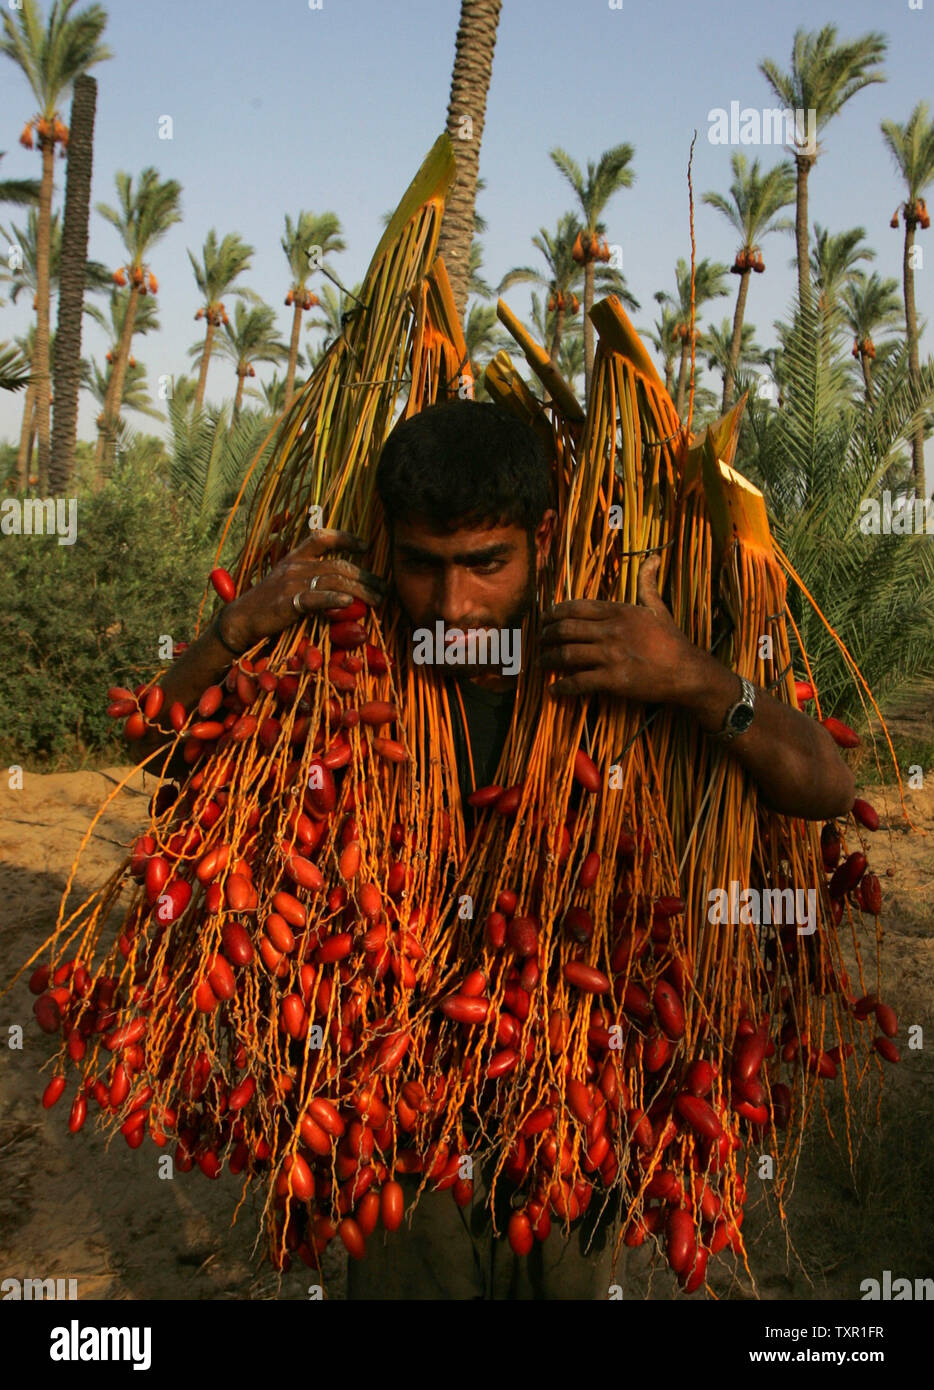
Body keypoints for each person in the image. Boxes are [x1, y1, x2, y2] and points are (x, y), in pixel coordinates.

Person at [127, 398, 855, 1299]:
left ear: (544, 537)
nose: (452, 605)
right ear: (390, 546)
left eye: (486, 565)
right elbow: (154, 751)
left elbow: (826, 787)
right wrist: (237, 629)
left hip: (574, 1092)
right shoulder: (347, 653)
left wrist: (699, 682)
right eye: (425, 567)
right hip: (395, 1093)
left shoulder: (625, 653)